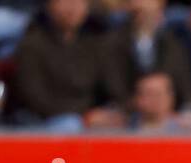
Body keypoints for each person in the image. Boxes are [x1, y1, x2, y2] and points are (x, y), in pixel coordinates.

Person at [11, 0, 129, 130]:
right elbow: (34, 97)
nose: (72, 8)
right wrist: (84, 116)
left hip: (91, 115)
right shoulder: (32, 45)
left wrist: (111, 112)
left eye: (79, 2)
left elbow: (114, 88)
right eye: (65, 2)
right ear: (50, 7)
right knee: (70, 124)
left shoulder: (97, 43)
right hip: (47, 118)